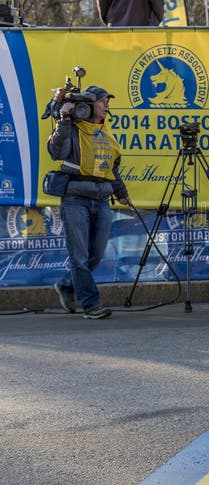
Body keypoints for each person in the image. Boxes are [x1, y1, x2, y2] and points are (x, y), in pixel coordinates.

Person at [48, 86, 132, 319]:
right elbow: (56, 152)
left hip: (102, 199)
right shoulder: (72, 129)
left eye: (107, 101)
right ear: (88, 104)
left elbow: (111, 168)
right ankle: (90, 305)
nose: (106, 105)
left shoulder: (106, 132)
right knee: (80, 256)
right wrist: (64, 120)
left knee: (95, 254)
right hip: (75, 199)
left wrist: (122, 193)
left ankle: (66, 285)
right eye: (102, 101)